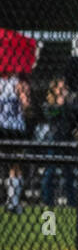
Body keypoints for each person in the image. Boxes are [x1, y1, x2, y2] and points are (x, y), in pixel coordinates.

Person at [39, 78, 77, 207]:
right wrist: (60, 105)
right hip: (54, 140)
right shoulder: (48, 105)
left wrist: (66, 105)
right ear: (54, 90)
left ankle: (72, 201)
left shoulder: (70, 104)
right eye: (60, 89)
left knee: (69, 173)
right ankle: (47, 200)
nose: (63, 91)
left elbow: (74, 118)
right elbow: (51, 115)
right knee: (50, 171)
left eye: (64, 88)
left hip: (67, 139)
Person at [0, 71, 31, 214]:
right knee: (15, 165)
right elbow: (25, 105)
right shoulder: (19, 82)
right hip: (14, 127)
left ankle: (11, 201)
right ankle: (12, 202)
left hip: (2, 124)